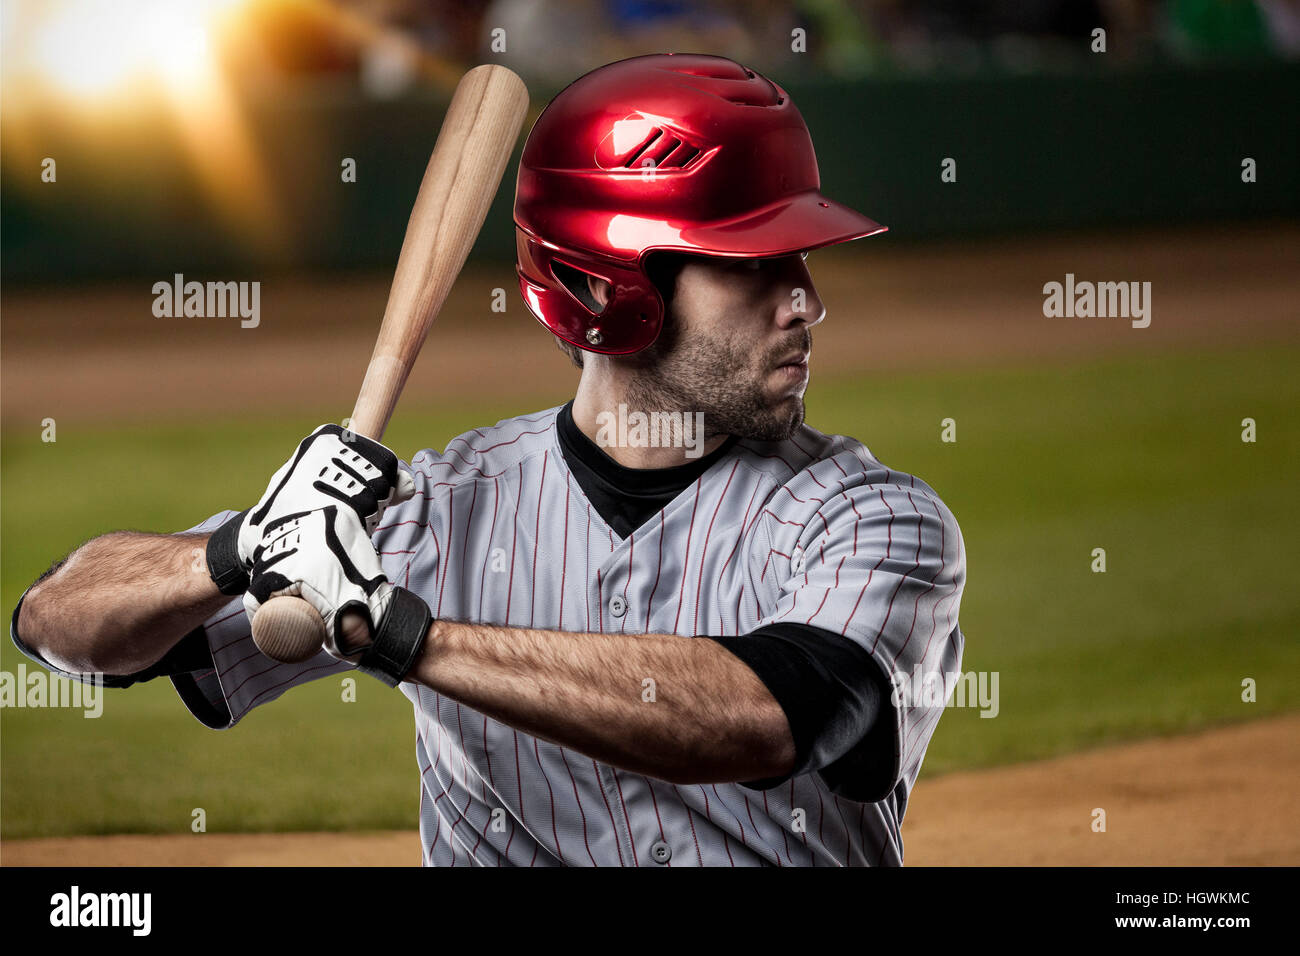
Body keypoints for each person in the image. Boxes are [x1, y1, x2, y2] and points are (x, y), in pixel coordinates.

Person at [13, 54, 965, 866]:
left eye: (800, 261)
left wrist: (399, 633)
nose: (804, 301)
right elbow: (58, 625)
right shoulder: (440, 511)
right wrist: (236, 553)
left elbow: (768, 717)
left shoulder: (874, 518)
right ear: (604, 284)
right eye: (753, 264)